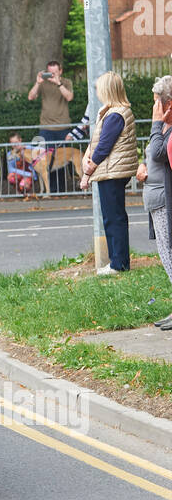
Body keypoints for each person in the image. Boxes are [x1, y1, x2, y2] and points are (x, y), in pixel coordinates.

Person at [79, 70, 138, 274]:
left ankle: (118, 264)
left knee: (113, 218)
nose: (96, 92)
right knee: (115, 217)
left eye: (98, 88)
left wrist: (88, 171)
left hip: (112, 172)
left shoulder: (115, 115)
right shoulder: (117, 111)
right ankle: (117, 262)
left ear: (106, 90)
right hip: (115, 171)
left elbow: (103, 147)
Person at [135, 76, 172, 325]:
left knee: (169, 253)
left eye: (156, 102)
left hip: (163, 199)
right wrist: (143, 166)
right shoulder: (163, 128)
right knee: (165, 252)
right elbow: (154, 155)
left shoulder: (164, 127)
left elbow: (159, 151)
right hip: (156, 197)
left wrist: (155, 123)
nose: (153, 107)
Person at [28, 60, 74, 192]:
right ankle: (51, 190)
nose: (52, 75)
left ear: (60, 71)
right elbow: (31, 97)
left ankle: (63, 189)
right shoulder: (43, 83)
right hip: (46, 129)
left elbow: (69, 97)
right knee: (45, 161)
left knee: (62, 160)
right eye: (50, 72)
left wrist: (58, 83)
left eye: (54, 72)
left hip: (63, 128)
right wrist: (38, 82)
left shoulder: (66, 82)